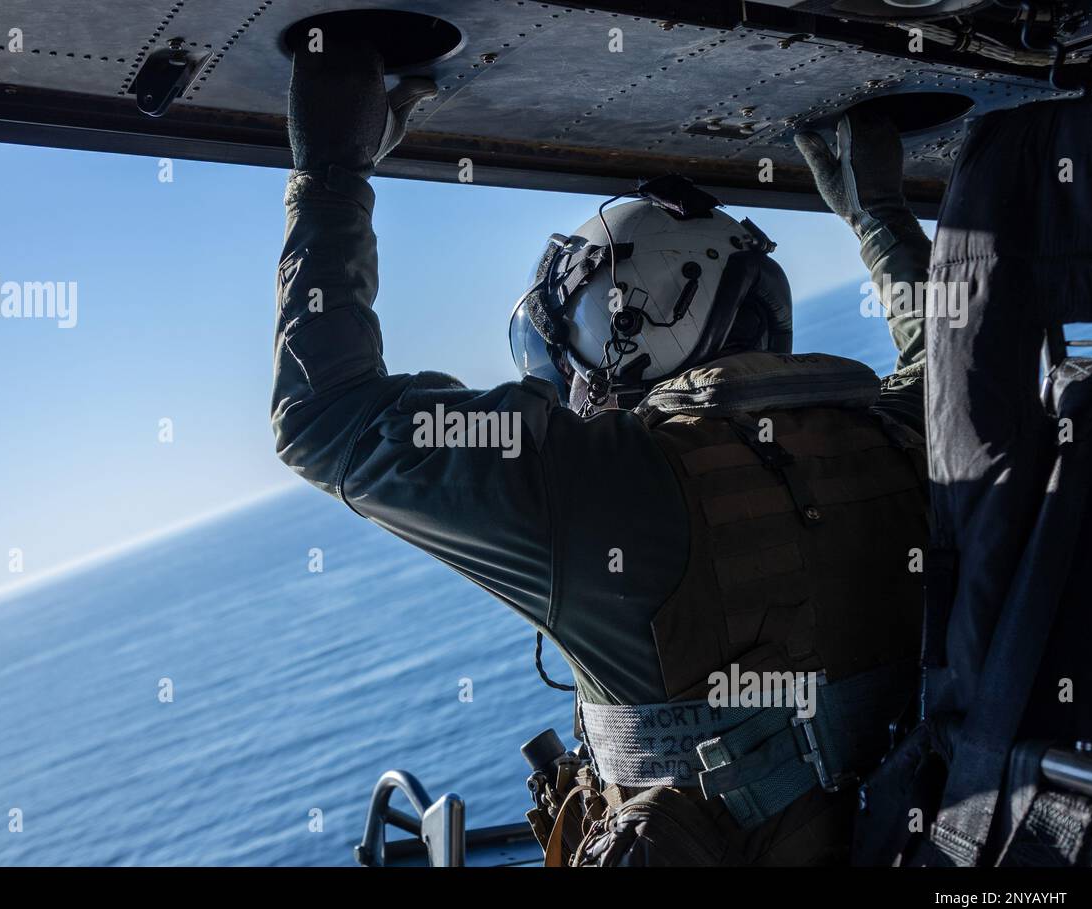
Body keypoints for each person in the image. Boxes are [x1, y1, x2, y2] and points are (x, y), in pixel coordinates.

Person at [272, 37, 930, 865]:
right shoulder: (904, 429)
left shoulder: (616, 489)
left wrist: (332, 173)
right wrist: (883, 219)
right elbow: (952, 359)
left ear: (632, 329)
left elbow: (323, 415)